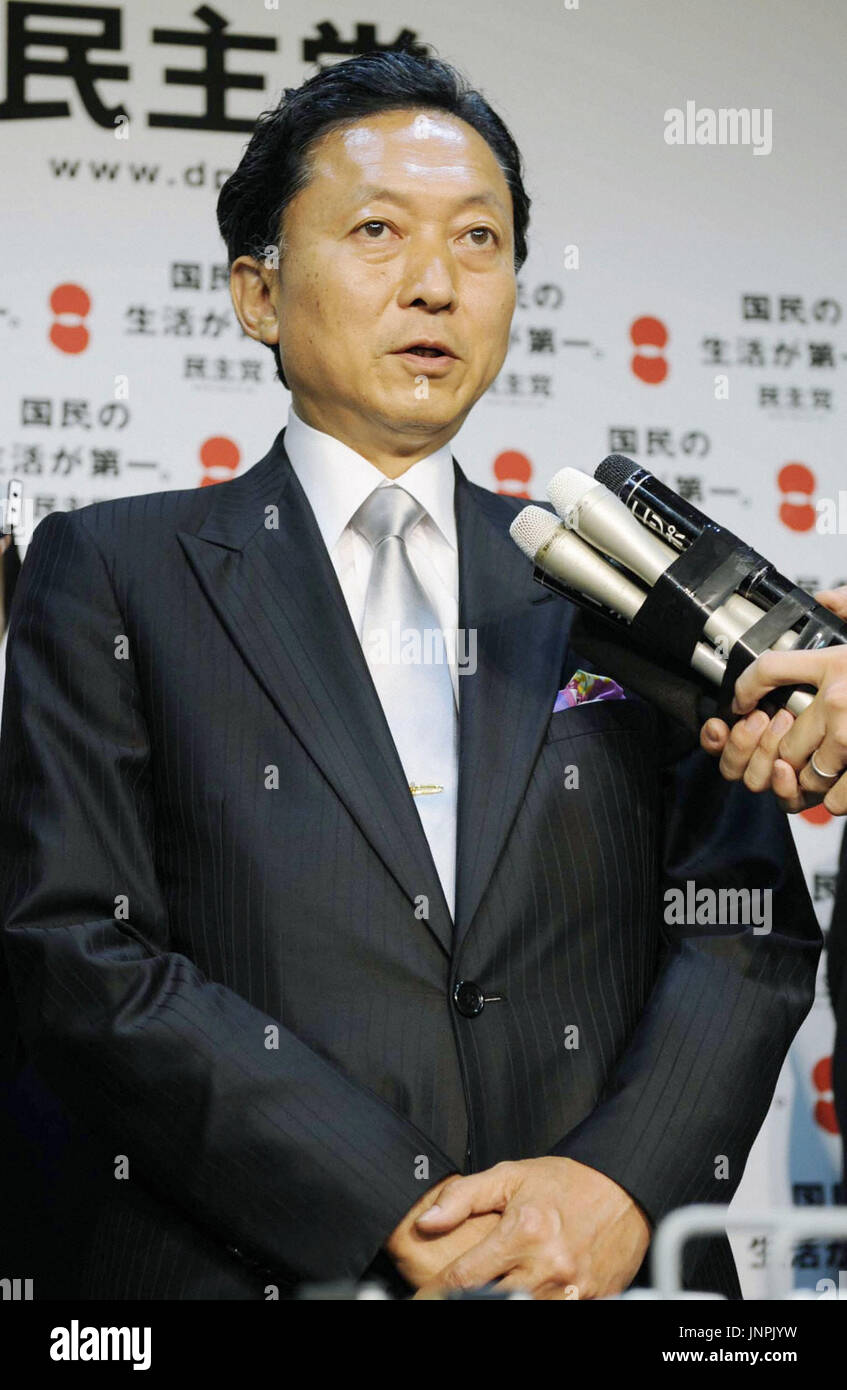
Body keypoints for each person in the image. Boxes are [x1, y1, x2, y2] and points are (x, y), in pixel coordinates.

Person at [0, 49, 821, 1302]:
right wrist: (394, 1202)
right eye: (376, 230)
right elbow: (79, 949)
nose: (435, 282)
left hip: (603, 1278)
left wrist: (612, 1188)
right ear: (256, 293)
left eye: (479, 240)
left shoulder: (613, 576)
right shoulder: (114, 568)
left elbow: (743, 917)